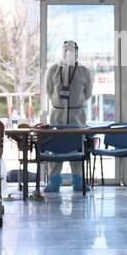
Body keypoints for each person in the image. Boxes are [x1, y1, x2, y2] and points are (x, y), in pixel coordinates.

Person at [42, 40, 93, 193]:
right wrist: (60, 103)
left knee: (76, 148)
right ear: (61, 52)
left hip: (77, 116)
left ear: (77, 53)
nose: (68, 54)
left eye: (71, 51)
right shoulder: (53, 70)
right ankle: (54, 180)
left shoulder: (84, 71)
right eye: (66, 51)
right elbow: (50, 91)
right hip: (57, 115)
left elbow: (88, 93)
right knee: (55, 148)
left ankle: (78, 181)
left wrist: (75, 102)